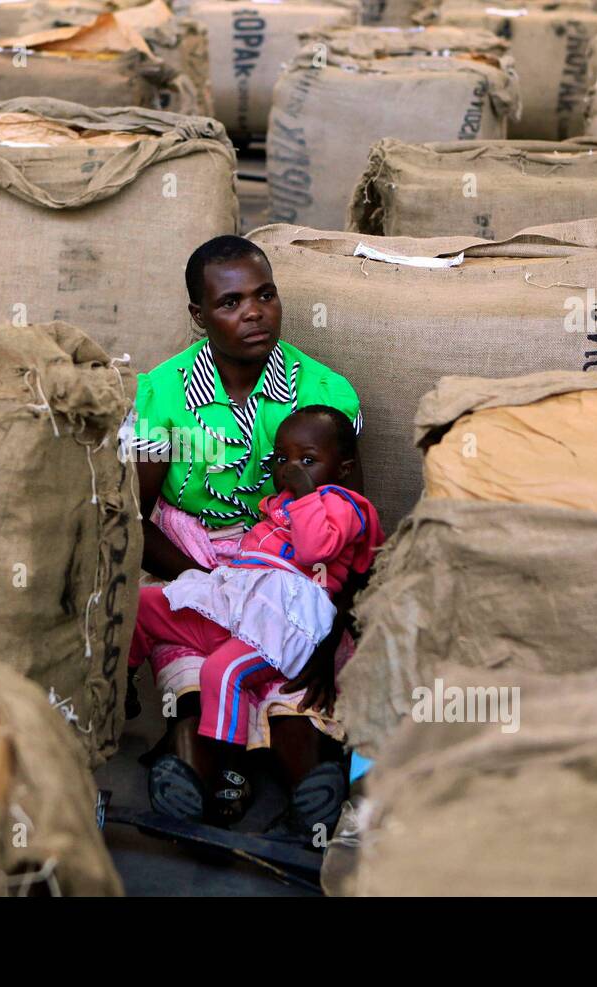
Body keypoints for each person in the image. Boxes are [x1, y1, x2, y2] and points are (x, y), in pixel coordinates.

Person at [126, 234, 369, 833]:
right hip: (190, 554)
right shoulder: (162, 395)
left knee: (297, 663)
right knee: (190, 661)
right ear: (198, 316)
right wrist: (211, 583)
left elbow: (349, 519)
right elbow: (135, 518)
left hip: (295, 561)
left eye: (265, 295)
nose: (254, 312)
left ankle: (305, 785)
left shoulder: (324, 395)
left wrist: (331, 616)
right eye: (231, 302)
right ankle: (195, 771)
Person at [130, 406, 383, 824]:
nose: (291, 470)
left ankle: (230, 771)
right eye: (282, 459)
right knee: (148, 605)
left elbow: (315, 550)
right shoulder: (280, 506)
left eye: (307, 460)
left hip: (285, 614)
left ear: (344, 468)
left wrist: (304, 497)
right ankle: (119, 684)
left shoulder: (344, 504)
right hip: (240, 597)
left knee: (222, 674)